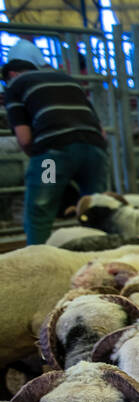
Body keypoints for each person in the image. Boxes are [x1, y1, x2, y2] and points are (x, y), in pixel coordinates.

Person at [2, 38, 110, 246]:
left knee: (43, 206)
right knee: (95, 206)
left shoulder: (15, 85)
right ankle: (101, 254)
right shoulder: (67, 80)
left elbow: (24, 138)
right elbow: (102, 132)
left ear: (12, 75)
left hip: (53, 155)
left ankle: (39, 260)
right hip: (93, 153)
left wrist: (39, 157)